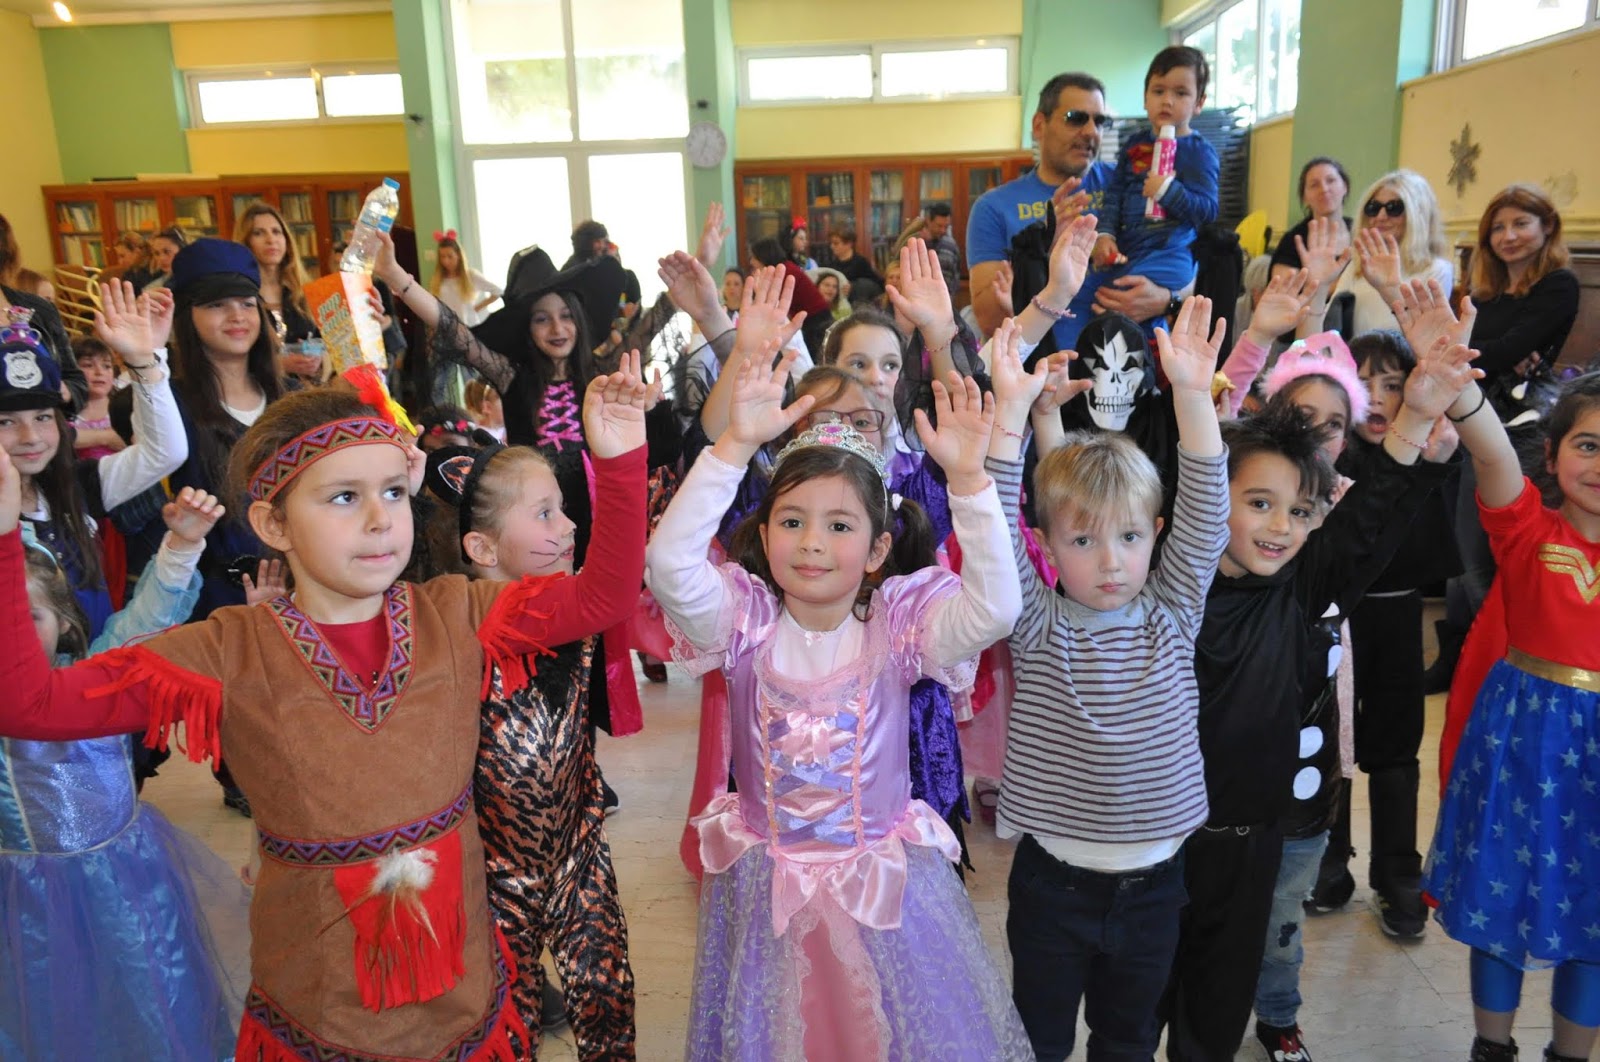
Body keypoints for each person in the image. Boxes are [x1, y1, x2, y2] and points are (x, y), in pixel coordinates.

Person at [0, 353, 651, 1060]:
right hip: (316, 1002)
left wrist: (619, 463)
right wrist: (5, 539)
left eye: (394, 494)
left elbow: (602, 599)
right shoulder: (228, 650)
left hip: (463, 987)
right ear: (273, 524)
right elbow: (32, 705)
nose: (379, 520)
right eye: (343, 498)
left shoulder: (459, 613)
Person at [646, 342, 1032, 1058]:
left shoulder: (902, 625)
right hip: (770, 894)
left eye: (840, 525)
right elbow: (669, 563)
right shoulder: (744, 622)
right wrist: (733, 445)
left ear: (879, 549)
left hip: (882, 891)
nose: (812, 543)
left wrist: (971, 482)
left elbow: (997, 610)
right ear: (763, 535)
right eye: (791, 521)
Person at [1163, 330, 1477, 1061]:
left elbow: (1367, 523)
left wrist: (1415, 414)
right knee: (1145, 992)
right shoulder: (1175, 587)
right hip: (1163, 839)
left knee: (1216, 1006)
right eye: (1260, 504)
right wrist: (1188, 393)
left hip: (1253, 842)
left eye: (1300, 512)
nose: (1281, 527)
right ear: (1213, 501)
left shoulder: (1303, 587)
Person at [985, 294, 1229, 1060]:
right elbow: (991, 526)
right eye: (1084, 539)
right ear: (1049, 545)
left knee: (1127, 1042)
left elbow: (1208, 512)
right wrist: (1010, 419)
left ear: (1156, 536)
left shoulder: (1174, 608)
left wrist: (1191, 393)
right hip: (1051, 887)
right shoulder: (1034, 618)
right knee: (1041, 1041)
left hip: (1157, 885)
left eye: (1128, 536)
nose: (1111, 559)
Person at [427, 363, 655, 1053]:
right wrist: (619, 467)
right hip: (494, 872)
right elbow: (610, 592)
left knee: (608, 999)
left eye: (564, 507)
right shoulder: (499, 613)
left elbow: (604, 595)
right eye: (545, 514)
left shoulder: (556, 603)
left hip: (577, 846)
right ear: (480, 549)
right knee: (507, 1018)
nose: (566, 527)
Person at [0, 483, 251, 1061]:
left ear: (63, 623)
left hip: (124, 878)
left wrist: (182, 545)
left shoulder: (96, 674)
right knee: (50, 1005)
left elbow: (150, 615)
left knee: (149, 988)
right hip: (28, 897)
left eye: (26, 615)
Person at [1416, 284, 1600, 1062]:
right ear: (1554, 455)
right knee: (1503, 890)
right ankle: (1491, 1048)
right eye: (1589, 444)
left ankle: (1572, 1053)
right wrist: (1460, 392)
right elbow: (1491, 452)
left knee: (1594, 910)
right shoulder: (1527, 529)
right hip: (1520, 745)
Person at [1430, 184, 1583, 693]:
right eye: (1498, 227)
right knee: (1456, 545)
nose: (1509, 235)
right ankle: (1459, 655)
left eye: (1521, 223)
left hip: (1515, 427)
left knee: (1485, 550)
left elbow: (1481, 354)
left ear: (1546, 228)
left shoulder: (1558, 285)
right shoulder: (1485, 294)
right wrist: (1487, 353)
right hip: (1464, 417)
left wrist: (1484, 352)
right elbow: (1467, 352)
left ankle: (1503, 660)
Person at [1, 284, 188, 640]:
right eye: (6, 422)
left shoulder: (77, 485)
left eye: (42, 417)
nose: (30, 437)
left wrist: (144, 362)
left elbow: (165, 452)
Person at [967, 72, 1185, 350]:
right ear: (1039, 125)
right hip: (1048, 379)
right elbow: (988, 320)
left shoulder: (1135, 185)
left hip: (1135, 370)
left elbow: (1188, 273)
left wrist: (1167, 298)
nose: (1091, 131)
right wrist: (1042, 253)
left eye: (1100, 121)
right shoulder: (993, 207)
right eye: (1076, 118)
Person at [1091, 47, 1219, 302]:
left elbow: (1207, 211)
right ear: (1145, 97)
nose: (1167, 100)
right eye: (1158, 91)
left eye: (1181, 93)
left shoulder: (1200, 152)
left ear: (1199, 103)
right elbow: (1115, 195)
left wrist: (1168, 191)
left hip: (1170, 252)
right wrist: (1106, 234)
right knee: (1103, 295)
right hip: (1132, 248)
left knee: (1119, 299)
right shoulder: (1134, 145)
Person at [1310, 170, 1452, 338]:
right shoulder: (1359, 265)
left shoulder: (1436, 269)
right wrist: (1318, 287)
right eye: (1373, 208)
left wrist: (1390, 291)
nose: (1381, 216)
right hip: (1354, 361)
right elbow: (1325, 328)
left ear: (1417, 213)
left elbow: (1425, 338)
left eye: (1393, 208)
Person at [234, 201, 318, 349]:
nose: (271, 240)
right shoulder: (237, 295)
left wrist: (318, 362)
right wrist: (281, 364)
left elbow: (326, 345)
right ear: (245, 242)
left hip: (306, 373)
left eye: (276, 232)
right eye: (258, 233)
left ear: (287, 240)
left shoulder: (304, 290)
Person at [1270, 157, 1353, 284]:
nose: (1324, 189)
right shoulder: (1294, 241)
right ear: (1305, 198)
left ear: (1345, 187)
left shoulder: (1362, 230)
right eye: (1314, 185)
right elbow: (1283, 294)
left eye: (1331, 180)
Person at [431, 230, 504, 327]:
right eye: (442, 256)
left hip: (469, 327)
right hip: (448, 328)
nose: (446, 261)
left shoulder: (471, 276)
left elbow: (498, 291)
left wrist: (477, 308)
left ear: (458, 256)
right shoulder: (438, 279)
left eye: (450, 256)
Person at [69, 335, 126, 460]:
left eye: (106, 366)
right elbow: (59, 439)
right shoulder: (64, 409)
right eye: (88, 365)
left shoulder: (125, 406)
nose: (99, 372)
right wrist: (106, 438)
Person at [924, 203, 961, 295]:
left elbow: (956, 275)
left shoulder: (951, 245)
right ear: (929, 221)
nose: (943, 230)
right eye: (939, 226)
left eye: (946, 226)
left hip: (945, 298)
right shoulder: (917, 242)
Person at [144, 226, 188, 293]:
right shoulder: (154, 286)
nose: (161, 258)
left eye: (167, 251)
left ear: (182, 250)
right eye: (157, 253)